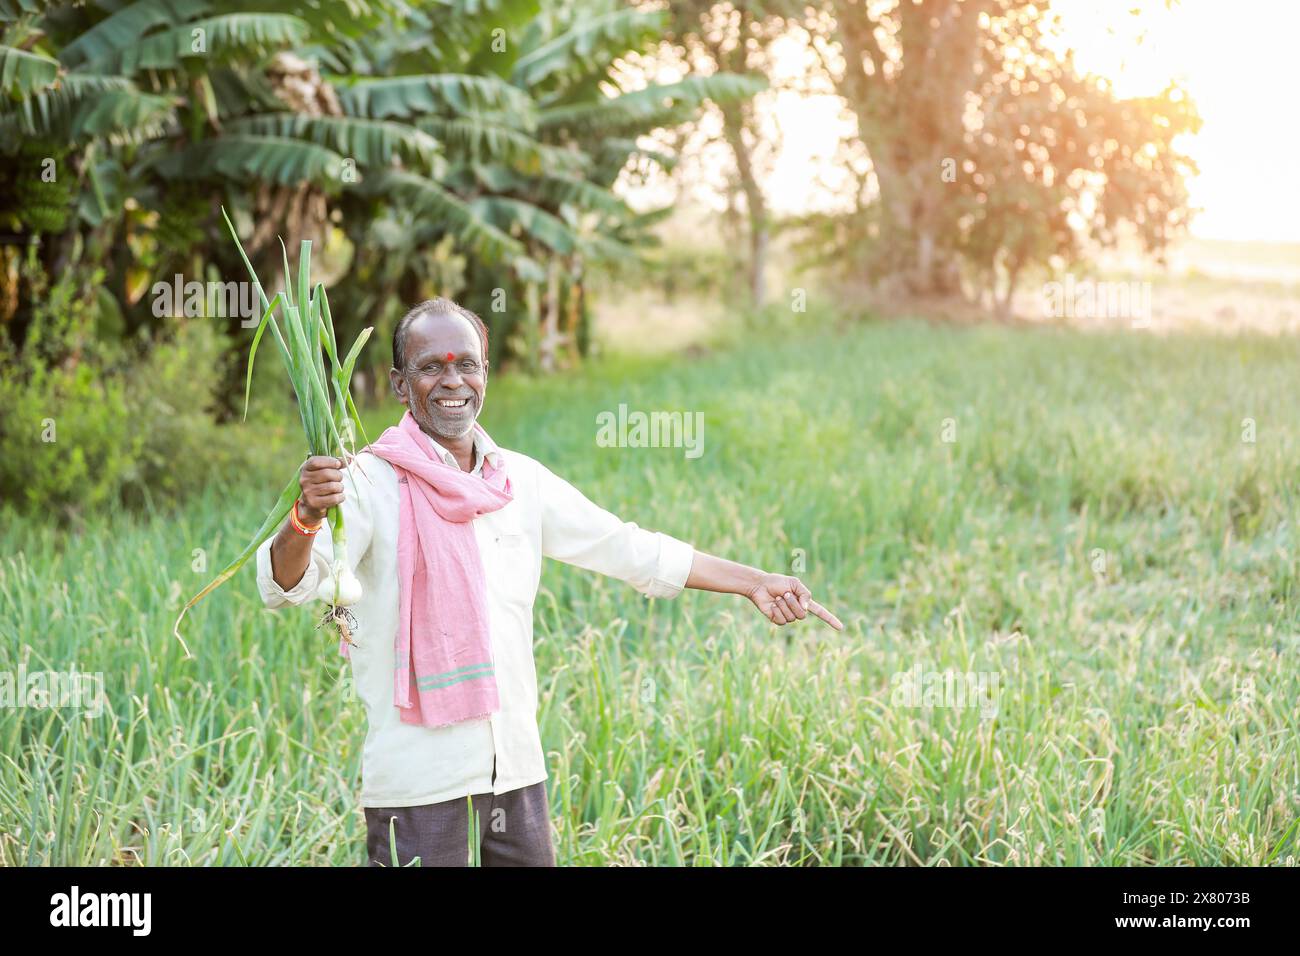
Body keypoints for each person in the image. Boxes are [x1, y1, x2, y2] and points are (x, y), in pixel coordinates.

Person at [255, 297, 843, 867]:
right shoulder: (362, 483)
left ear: (486, 374)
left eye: (468, 365)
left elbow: (627, 547)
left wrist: (753, 581)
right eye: (431, 367)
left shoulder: (518, 481)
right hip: (417, 779)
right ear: (400, 384)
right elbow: (290, 584)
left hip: (515, 768)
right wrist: (305, 515)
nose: (453, 381)